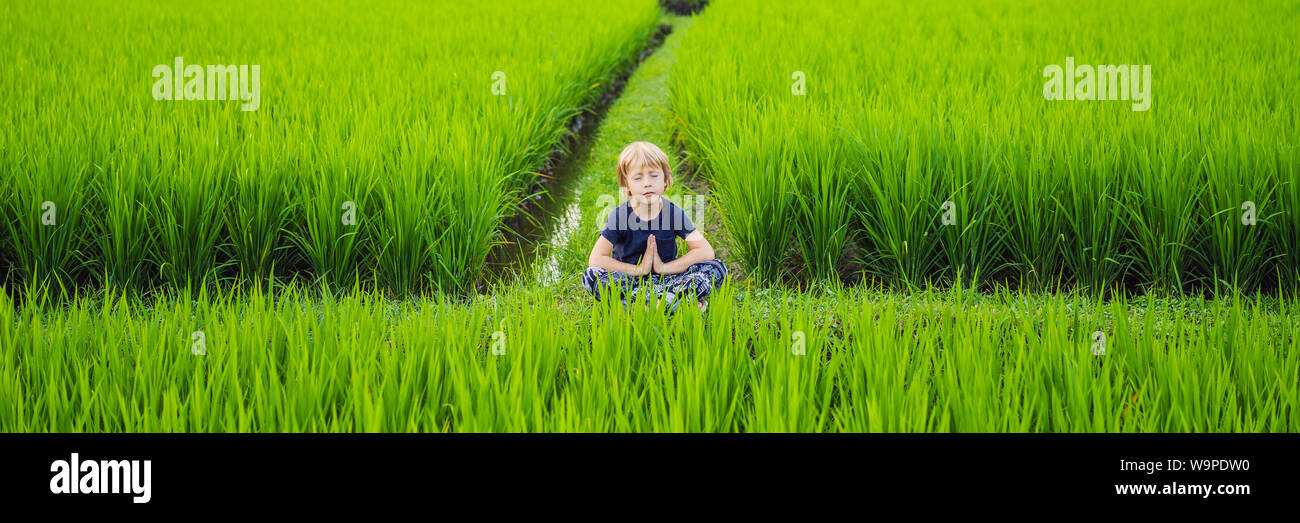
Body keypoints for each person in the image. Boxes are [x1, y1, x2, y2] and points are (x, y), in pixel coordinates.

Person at [583, 141, 727, 312]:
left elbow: (705, 251)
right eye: (638, 178)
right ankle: (675, 304)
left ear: (665, 180)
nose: (647, 183)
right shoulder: (620, 216)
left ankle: (642, 306)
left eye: (653, 175)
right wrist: (638, 269)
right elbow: (596, 259)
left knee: (717, 267)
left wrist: (663, 268)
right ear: (627, 185)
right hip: (630, 281)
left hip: (669, 280)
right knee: (591, 275)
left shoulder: (673, 213)